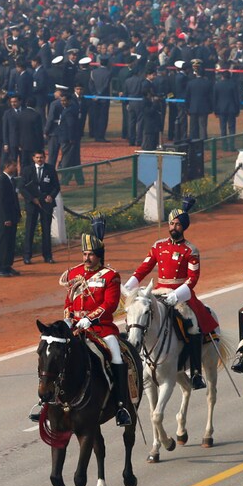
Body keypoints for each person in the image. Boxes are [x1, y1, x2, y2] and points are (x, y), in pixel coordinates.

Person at [36, 230, 133, 426]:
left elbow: (110, 304)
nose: (86, 258)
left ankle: (122, 405)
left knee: (115, 355)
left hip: (101, 329)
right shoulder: (74, 273)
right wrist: (68, 320)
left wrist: (90, 319)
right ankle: (45, 402)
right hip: (75, 329)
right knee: (51, 355)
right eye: (84, 254)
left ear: (99, 256)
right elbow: (68, 302)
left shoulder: (111, 276)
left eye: (90, 254)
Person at [125, 199, 220, 388]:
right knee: (139, 318)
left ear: (183, 227)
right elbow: (143, 268)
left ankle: (194, 373)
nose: (173, 227)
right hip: (159, 291)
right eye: (171, 223)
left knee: (193, 326)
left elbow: (192, 279)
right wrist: (129, 287)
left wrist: (177, 295)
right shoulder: (158, 246)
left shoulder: (190, 250)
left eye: (177, 224)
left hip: (181, 295)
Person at [20, 150, 59, 264]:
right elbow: (22, 187)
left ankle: (48, 256)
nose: (39, 159)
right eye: (37, 157)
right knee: (30, 229)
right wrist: (32, 198)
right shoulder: (27, 170)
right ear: (33, 158)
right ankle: (27, 256)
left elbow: (56, 186)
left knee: (46, 230)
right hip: (32, 204)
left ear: (44, 157)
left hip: (46, 204)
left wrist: (51, 196)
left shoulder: (50, 169)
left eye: (41, 157)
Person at [0, 156, 21, 277]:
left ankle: (7, 265)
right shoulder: (1, 181)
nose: (16, 167)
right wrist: (6, 218)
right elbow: (0, 202)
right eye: (14, 165)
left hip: (12, 217)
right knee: (2, 243)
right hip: (4, 219)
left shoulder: (11, 180)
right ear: (7, 166)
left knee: (10, 242)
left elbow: (14, 200)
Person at [213, 68, 242, 147]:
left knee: (223, 128)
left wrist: (215, 110)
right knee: (232, 128)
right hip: (232, 109)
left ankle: (224, 145)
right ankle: (232, 145)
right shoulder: (233, 85)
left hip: (221, 109)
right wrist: (237, 110)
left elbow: (215, 99)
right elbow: (236, 98)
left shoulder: (217, 85)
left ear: (222, 76)